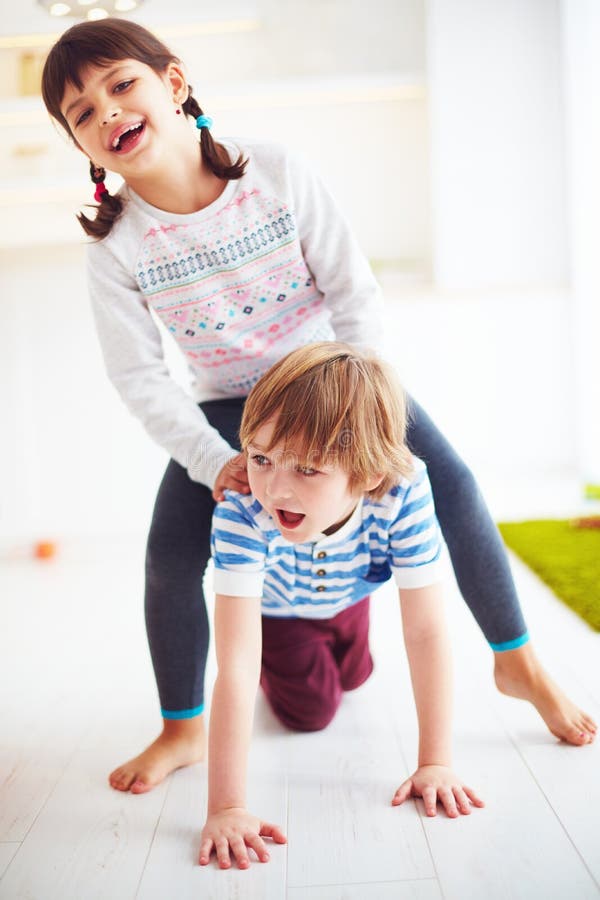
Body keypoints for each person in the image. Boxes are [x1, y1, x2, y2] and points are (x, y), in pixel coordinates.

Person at [40, 18, 596, 794]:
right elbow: (140, 379)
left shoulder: (275, 172)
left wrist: (363, 399)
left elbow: (352, 293)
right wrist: (214, 462)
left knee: (456, 486)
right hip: (231, 410)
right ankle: (183, 726)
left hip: (336, 382)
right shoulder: (118, 248)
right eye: (81, 112)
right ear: (82, 146)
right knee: (169, 557)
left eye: (120, 85)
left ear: (172, 85)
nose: (106, 112)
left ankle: (518, 661)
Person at [201, 342, 485, 869]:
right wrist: (226, 806)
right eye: (260, 458)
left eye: (307, 470)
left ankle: (340, 650)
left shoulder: (403, 491)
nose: (275, 488)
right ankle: (288, 670)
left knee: (356, 676)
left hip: (351, 596)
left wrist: (436, 762)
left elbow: (425, 631)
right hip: (279, 615)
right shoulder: (243, 510)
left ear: (368, 475)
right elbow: (236, 663)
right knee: (311, 712)